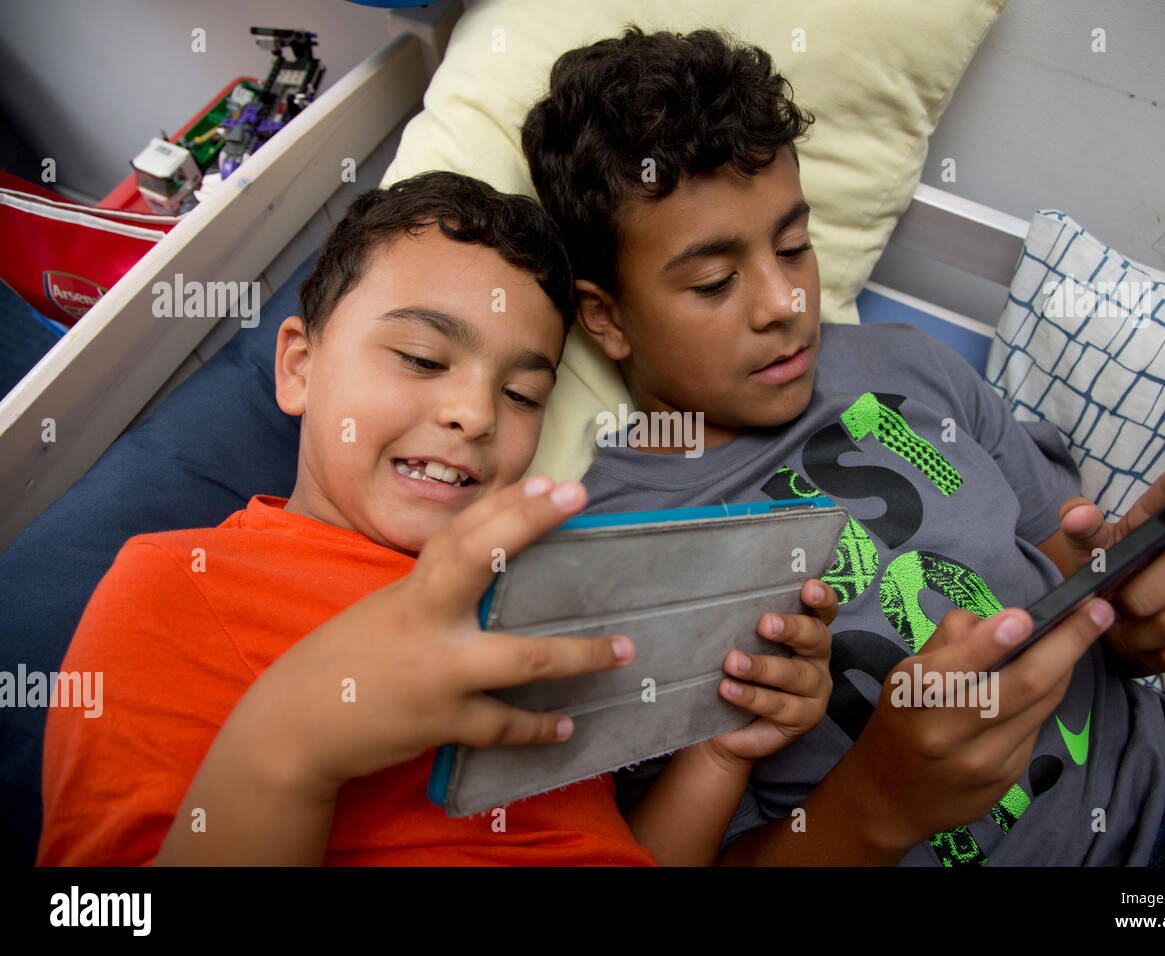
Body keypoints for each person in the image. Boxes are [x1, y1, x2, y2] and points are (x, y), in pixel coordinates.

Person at [520, 27, 1165, 865]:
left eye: (794, 247)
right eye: (715, 282)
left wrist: (1140, 604)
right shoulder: (609, 550)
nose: (785, 301)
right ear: (604, 317)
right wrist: (875, 803)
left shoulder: (907, 364)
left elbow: (1070, 572)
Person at [36, 171, 837, 866]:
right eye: (421, 358)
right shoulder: (175, 586)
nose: (474, 413)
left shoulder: (541, 596)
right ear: (299, 368)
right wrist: (287, 743)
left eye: (523, 395)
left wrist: (721, 747)